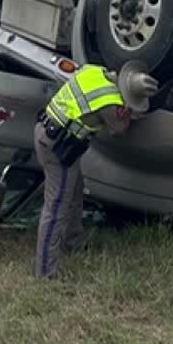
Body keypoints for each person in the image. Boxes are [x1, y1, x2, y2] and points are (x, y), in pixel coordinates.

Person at [34, 60, 158, 279]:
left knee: (73, 191)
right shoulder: (110, 103)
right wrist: (127, 112)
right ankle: (46, 271)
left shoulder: (95, 71)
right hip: (60, 146)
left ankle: (74, 241)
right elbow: (120, 131)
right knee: (56, 208)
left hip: (46, 131)